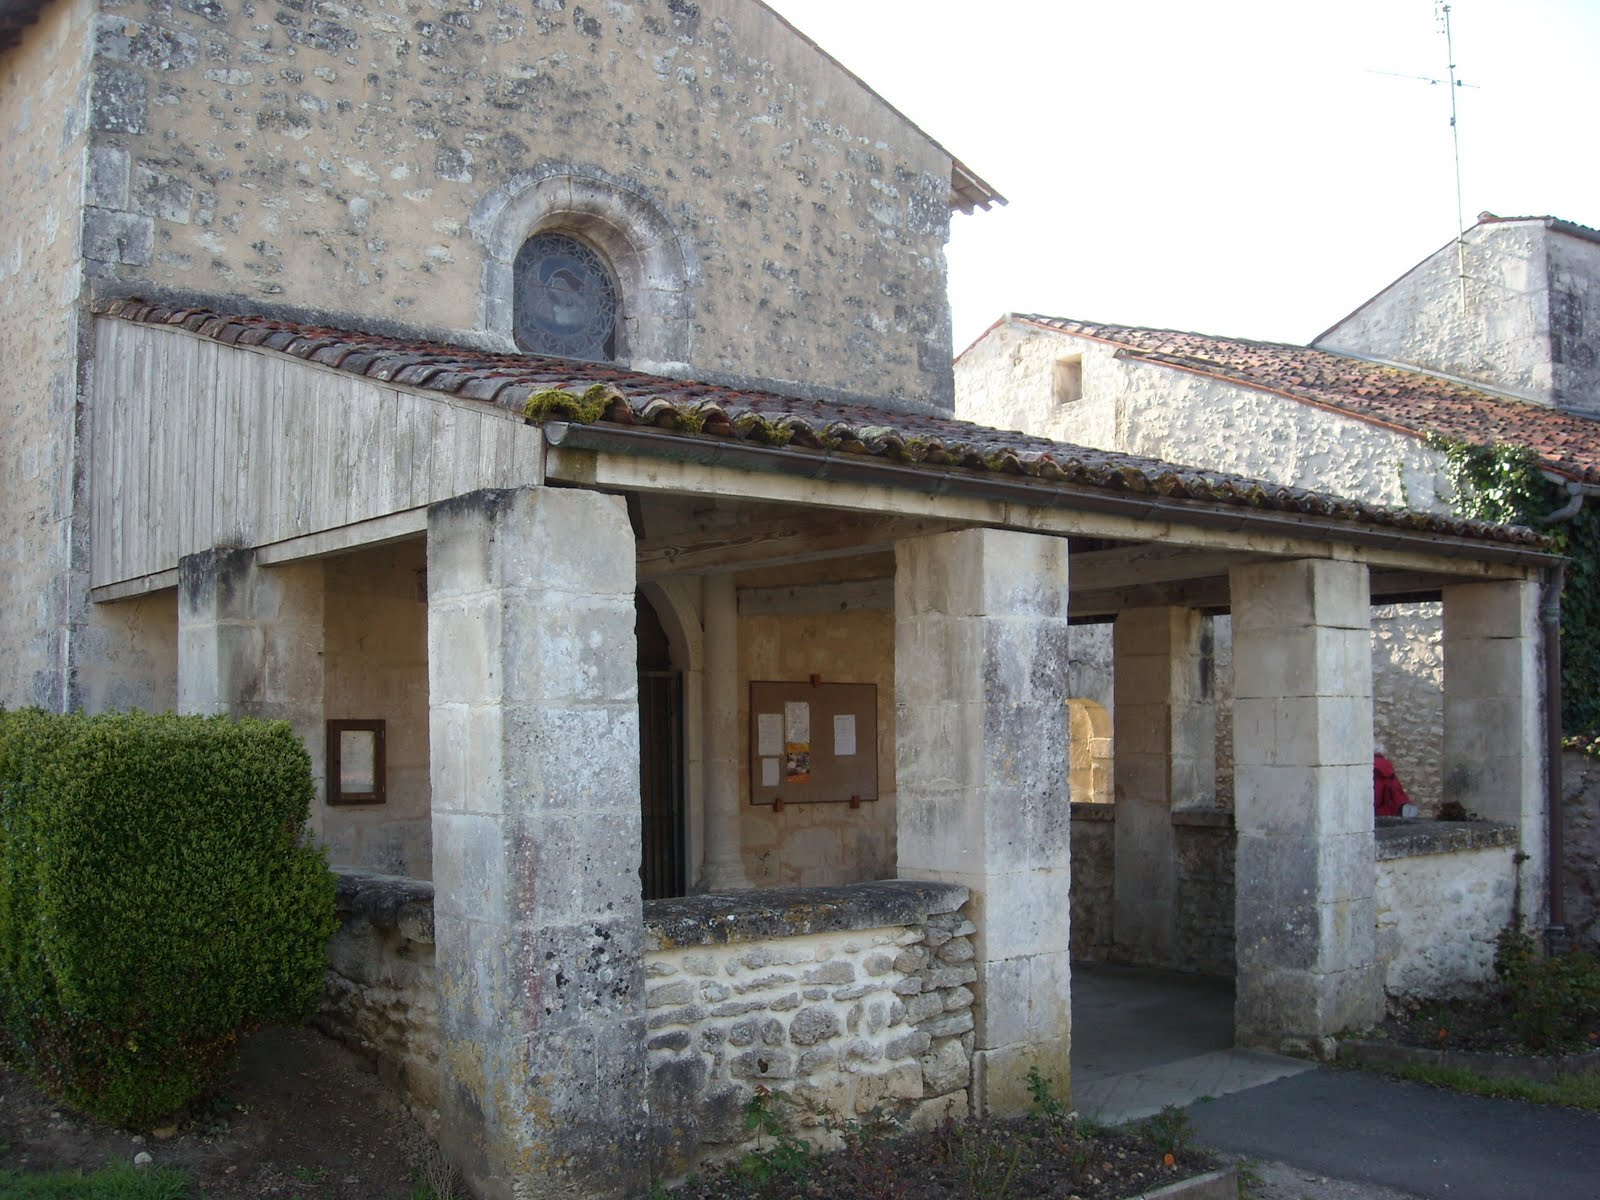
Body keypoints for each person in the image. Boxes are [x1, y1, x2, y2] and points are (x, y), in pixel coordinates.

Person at [1374, 743, 1412, 818]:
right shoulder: (1387, 766)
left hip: (1375, 810)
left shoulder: (1371, 765)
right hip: (1388, 809)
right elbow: (1397, 789)